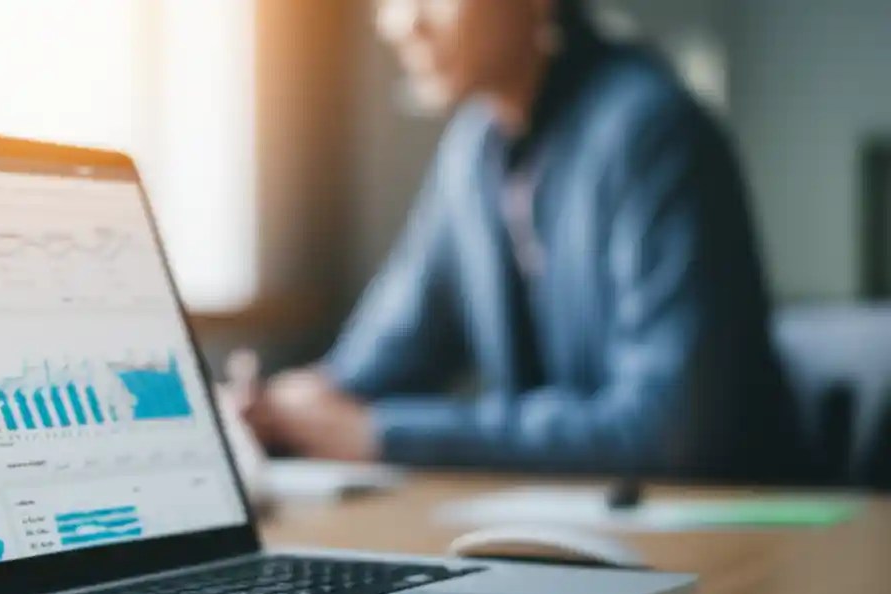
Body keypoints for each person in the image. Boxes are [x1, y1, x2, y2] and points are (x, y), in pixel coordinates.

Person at [233, 0, 803, 479]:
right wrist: (279, 406)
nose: (401, 21)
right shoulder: (475, 149)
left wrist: (384, 435)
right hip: (569, 524)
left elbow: (671, 431)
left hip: (727, 532)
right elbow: (381, 358)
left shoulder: (651, 132)